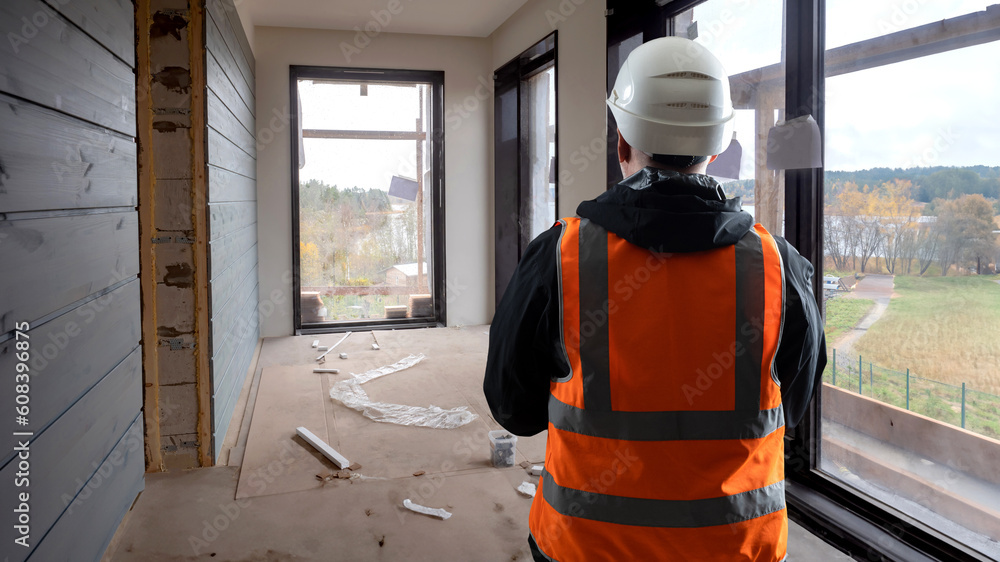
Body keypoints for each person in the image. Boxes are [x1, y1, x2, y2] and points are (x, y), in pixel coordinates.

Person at [483, 36, 826, 561]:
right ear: (715, 149)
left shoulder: (560, 256)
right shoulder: (779, 267)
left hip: (586, 548)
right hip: (737, 549)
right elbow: (795, 405)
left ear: (621, 144)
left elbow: (513, 409)